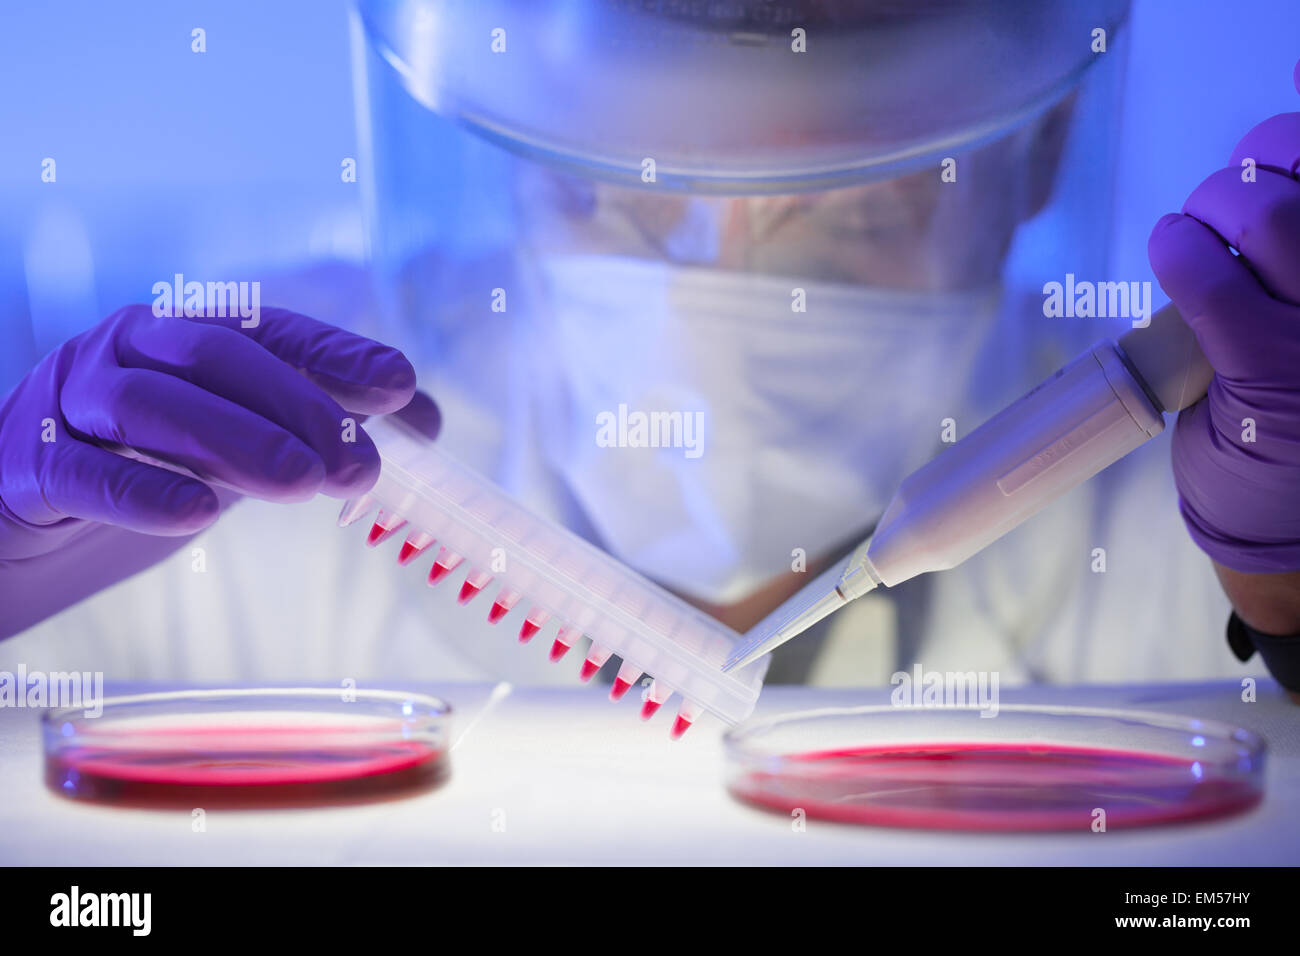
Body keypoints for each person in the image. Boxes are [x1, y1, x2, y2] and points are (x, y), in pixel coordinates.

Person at [1, 9, 1297, 699]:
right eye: (619, 194)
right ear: (511, 153)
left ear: (1040, 154)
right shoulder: (237, 452)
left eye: (851, 210)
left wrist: (1288, 617)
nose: (721, 275)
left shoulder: (1220, 491)